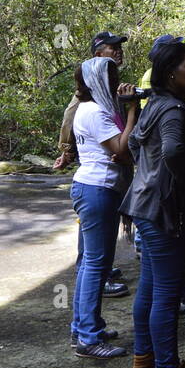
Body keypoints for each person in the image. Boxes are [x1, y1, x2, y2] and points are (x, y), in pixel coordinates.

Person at [121, 35, 185, 368]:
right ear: (171, 72)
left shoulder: (153, 104)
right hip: (164, 211)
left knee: (150, 288)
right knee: (167, 295)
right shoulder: (173, 109)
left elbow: (131, 145)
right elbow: (174, 150)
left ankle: (144, 367)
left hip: (143, 206)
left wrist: (153, 173)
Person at [68, 55, 139, 358]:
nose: (114, 83)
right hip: (98, 189)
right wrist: (133, 109)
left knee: (89, 263)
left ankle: (84, 326)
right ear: (95, 82)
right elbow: (122, 151)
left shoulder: (90, 109)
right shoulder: (96, 113)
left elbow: (118, 148)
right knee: (96, 265)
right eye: (110, 79)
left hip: (92, 187)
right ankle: (88, 338)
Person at [56, 31, 130, 298]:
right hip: (96, 178)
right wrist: (66, 151)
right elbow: (70, 120)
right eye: (113, 49)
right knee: (93, 234)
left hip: (104, 175)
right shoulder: (88, 96)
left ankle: (99, 271)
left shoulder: (108, 90)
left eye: (119, 47)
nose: (119, 52)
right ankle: (92, 272)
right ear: (99, 55)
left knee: (97, 231)